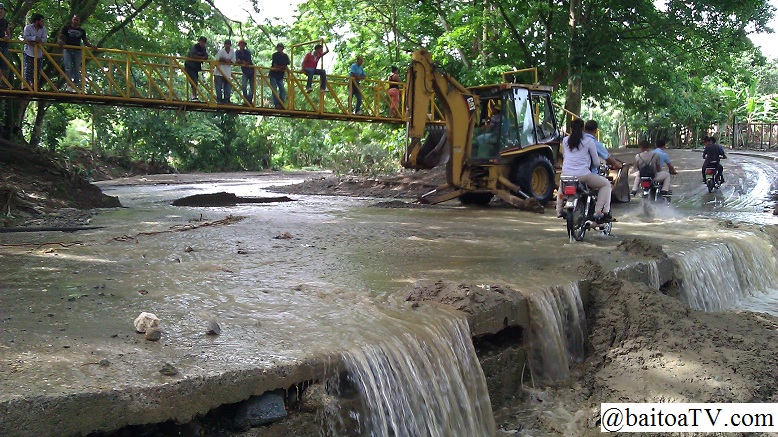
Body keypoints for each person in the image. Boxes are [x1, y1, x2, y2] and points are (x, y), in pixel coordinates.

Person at [556, 118, 612, 222]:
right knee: (606, 184)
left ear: (570, 128)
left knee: (562, 185)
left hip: (566, 173)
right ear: (583, 128)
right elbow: (595, 162)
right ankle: (598, 211)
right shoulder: (589, 141)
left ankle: (559, 210)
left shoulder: (565, 140)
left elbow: (565, 156)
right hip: (583, 175)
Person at [57, 14, 97, 92]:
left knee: (76, 68)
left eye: (77, 20)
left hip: (77, 50)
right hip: (67, 49)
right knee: (68, 67)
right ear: (72, 19)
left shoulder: (82, 31)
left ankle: (76, 86)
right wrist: (59, 41)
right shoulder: (67, 28)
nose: (75, 21)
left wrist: (92, 46)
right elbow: (60, 36)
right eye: (74, 19)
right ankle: (69, 85)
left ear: (79, 21)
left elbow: (85, 41)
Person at [23, 13, 47, 89]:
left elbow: (45, 39)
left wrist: (39, 40)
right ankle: (27, 85)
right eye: (42, 21)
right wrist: (34, 38)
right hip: (29, 52)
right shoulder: (28, 28)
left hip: (39, 53)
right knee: (28, 69)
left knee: (37, 70)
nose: (43, 23)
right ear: (37, 21)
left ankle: (35, 86)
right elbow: (26, 37)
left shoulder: (43, 29)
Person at [184, 37, 208, 101]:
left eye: (204, 42)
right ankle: (194, 96)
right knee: (194, 81)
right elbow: (192, 56)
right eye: (202, 42)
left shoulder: (204, 49)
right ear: (199, 41)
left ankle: (194, 96)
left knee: (195, 81)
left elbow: (206, 57)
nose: (202, 43)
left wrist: (199, 58)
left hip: (196, 67)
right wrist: (200, 58)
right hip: (189, 66)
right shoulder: (194, 47)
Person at [213, 39, 236, 104]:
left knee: (227, 87)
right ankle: (219, 100)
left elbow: (233, 61)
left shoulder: (232, 52)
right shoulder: (221, 51)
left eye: (229, 44)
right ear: (224, 45)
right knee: (218, 87)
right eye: (226, 44)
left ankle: (227, 100)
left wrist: (227, 61)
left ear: (230, 45)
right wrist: (225, 60)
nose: (227, 46)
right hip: (219, 71)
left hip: (227, 72)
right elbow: (217, 59)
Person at [269, 42, 289, 109]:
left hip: (280, 76)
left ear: (282, 48)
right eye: (278, 47)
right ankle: (276, 104)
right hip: (273, 75)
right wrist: (282, 67)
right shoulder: (275, 55)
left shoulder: (285, 56)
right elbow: (275, 65)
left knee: (282, 90)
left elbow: (286, 66)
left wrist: (280, 68)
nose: (279, 49)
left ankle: (281, 103)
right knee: (274, 89)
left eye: (280, 47)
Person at [235, 40, 254, 104]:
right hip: (245, 71)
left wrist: (241, 61)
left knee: (252, 87)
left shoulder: (247, 52)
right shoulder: (237, 52)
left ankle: (249, 101)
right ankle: (246, 100)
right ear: (239, 45)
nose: (242, 46)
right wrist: (242, 61)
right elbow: (236, 60)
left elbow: (248, 61)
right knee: (243, 86)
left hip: (251, 70)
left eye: (243, 45)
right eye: (241, 44)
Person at [0, 3, 10, 85]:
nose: (0, 10)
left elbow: (8, 34)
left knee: (2, 66)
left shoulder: (5, 22)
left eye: (1, 9)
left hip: (3, 45)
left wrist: (7, 37)